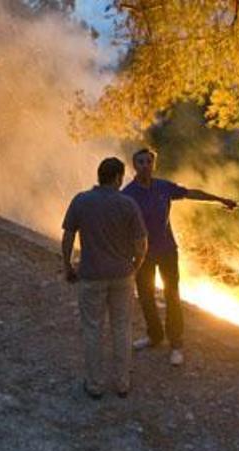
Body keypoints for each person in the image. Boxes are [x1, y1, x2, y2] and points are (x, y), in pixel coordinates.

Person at [122, 148, 237, 366]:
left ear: (153, 164)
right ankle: (154, 336)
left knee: (172, 294)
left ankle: (176, 343)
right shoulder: (128, 194)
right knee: (146, 296)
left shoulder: (163, 187)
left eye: (149, 161)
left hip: (167, 251)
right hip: (141, 254)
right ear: (134, 166)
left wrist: (219, 199)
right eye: (141, 162)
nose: (145, 165)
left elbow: (191, 193)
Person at [62, 157, 148, 399]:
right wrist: (136, 266)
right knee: (122, 328)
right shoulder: (128, 205)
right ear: (119, 178)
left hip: (91, 275)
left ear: (99, 176)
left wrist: (67, 266)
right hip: (122, 275)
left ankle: (95, 385)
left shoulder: (81, 201)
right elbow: (141, 244)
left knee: (92, 330)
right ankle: (122, 383)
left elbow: (68, 236)